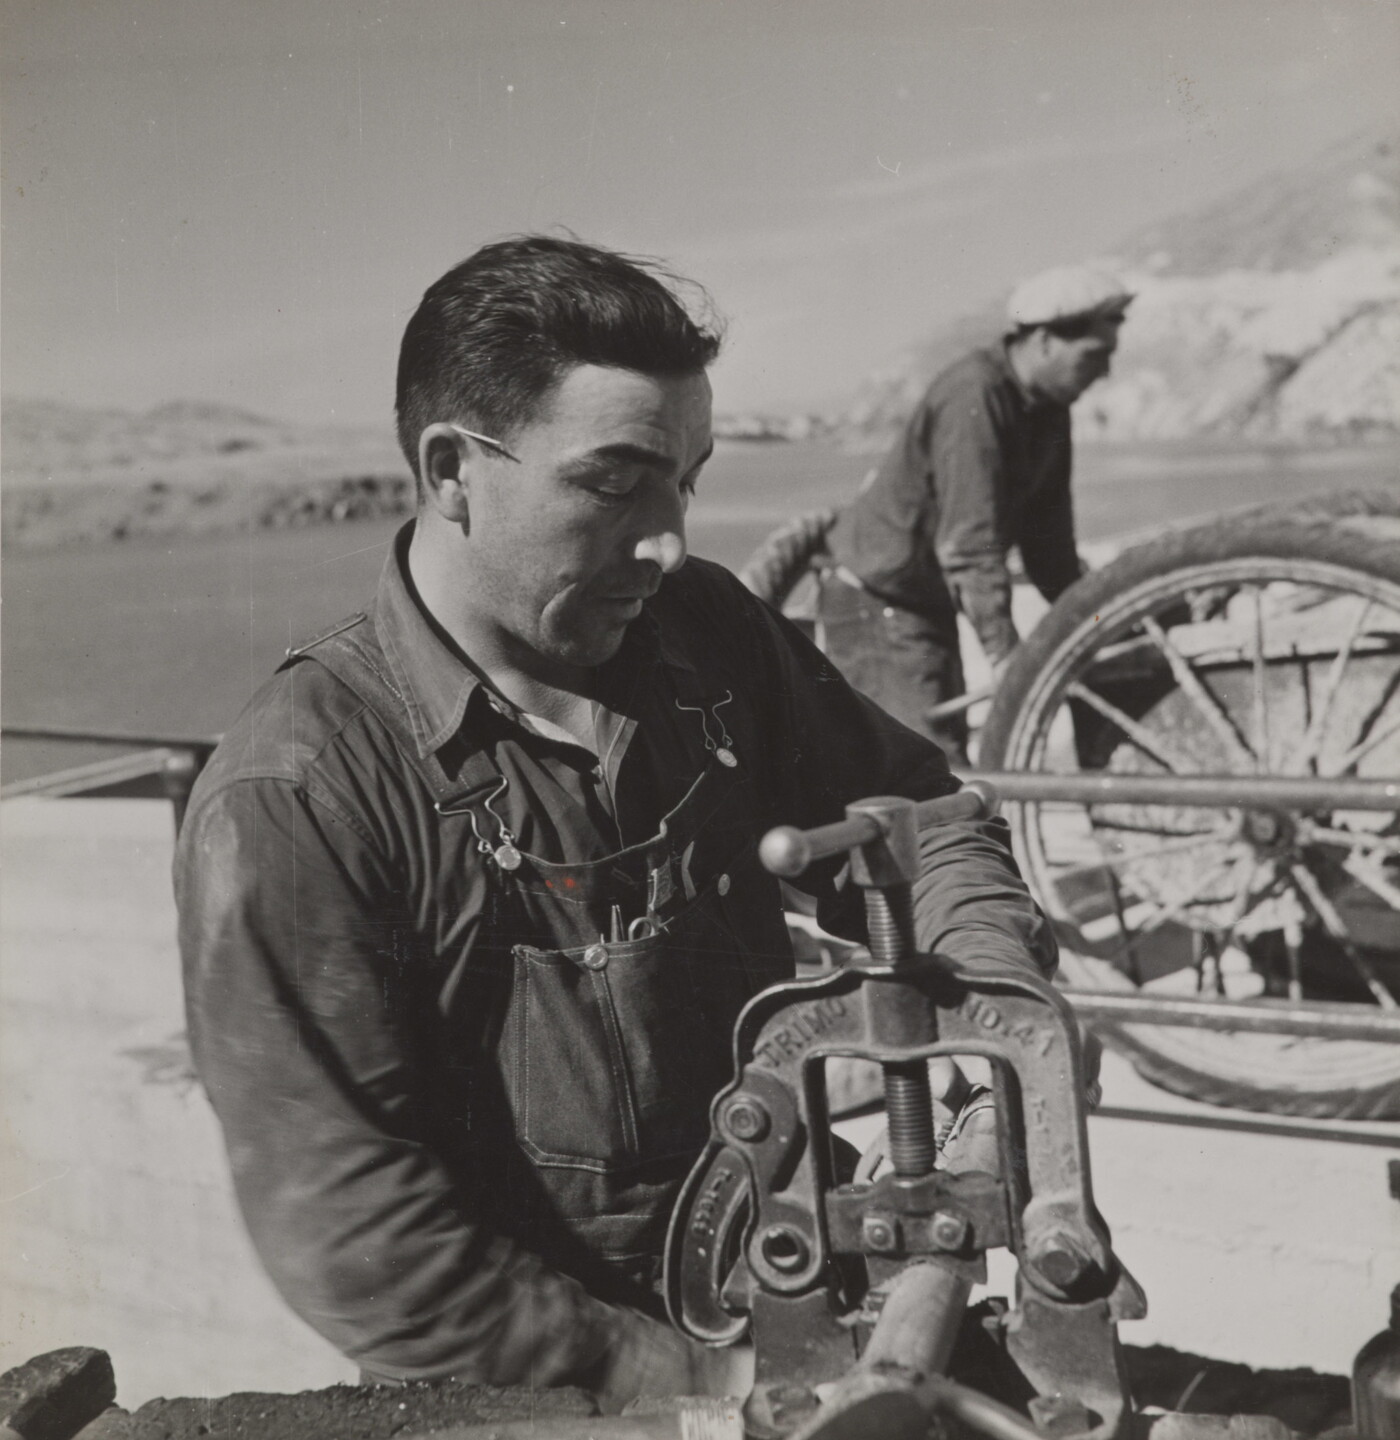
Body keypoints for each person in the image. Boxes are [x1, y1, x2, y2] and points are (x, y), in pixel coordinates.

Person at [175, 236, 1057, 1410]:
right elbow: (358, 1239)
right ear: (451, 470)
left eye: (684, 480)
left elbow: (921, 819)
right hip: (550, 1395)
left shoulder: (706, 634)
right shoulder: (297, 796)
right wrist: (698, 1379)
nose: (667, 541)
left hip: (814, 1284)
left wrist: (1003, 1036)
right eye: (612, 482)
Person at [818, 265, 1134, 762]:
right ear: (1046, 341)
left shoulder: (1049, 409)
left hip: (925, 600)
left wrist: (1102, 620)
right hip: (878, 602)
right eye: (1095, 356)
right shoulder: (975, 395)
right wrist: (1007, 657)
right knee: (920, 772)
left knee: (941, 765)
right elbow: (969, 544)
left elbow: (1049, 550)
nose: (1105, 373)